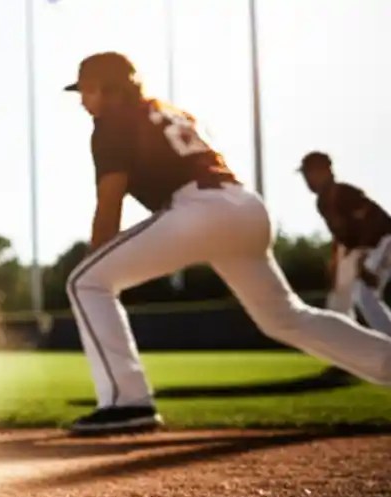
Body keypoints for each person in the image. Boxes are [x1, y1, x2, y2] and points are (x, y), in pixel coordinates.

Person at [62, 52, 391, 436]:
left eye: (86, 89)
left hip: (199, 210)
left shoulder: (111, 123)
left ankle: (126, 401)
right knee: (284, 317)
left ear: (110, 88)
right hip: (246, 207)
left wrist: (96, 260)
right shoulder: (169, 111)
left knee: (86, 282)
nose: (83, 100)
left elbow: (110, 202)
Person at [299, 151, 391, 336]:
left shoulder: (344, 193)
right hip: (360, 249)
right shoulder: (323, 201)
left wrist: (362, 259)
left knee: (364, 293)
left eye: (309, 173)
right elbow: (341, 237)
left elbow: (372, 222)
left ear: (324, 171)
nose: (306, 179)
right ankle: (348, 354)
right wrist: (337, 263)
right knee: (339, 300)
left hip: (383, 241)